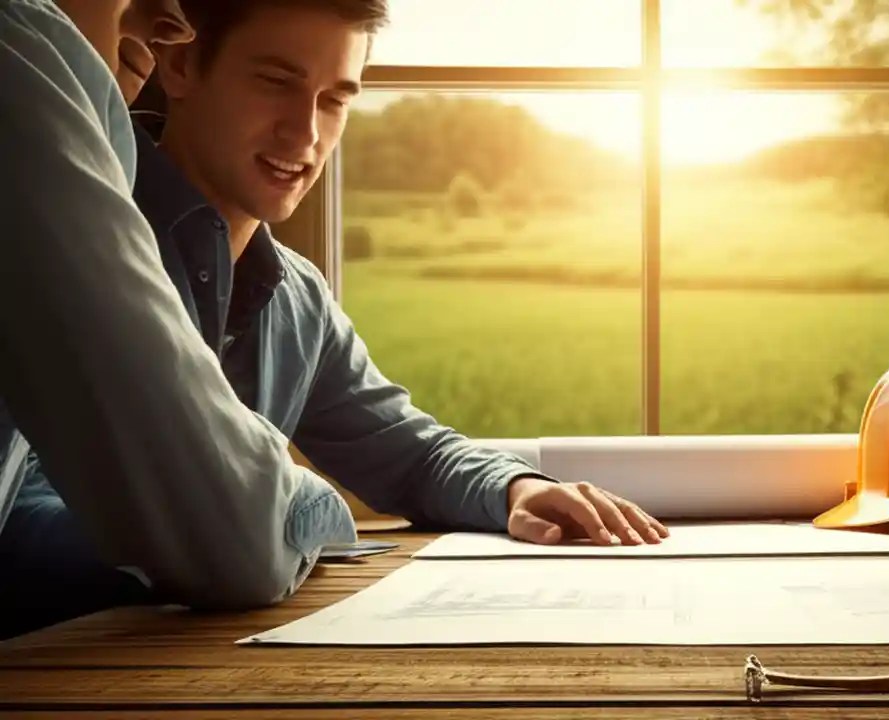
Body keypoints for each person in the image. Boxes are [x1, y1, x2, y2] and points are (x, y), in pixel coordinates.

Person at [0, 0, 664, 640]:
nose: (305, 134)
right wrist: (280, 516)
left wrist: (515, 487)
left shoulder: (295, 297)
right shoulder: (61, 227)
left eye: (334, 100)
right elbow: (25, 515)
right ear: (179, 65)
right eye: (275, 83)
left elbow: (410, 453)